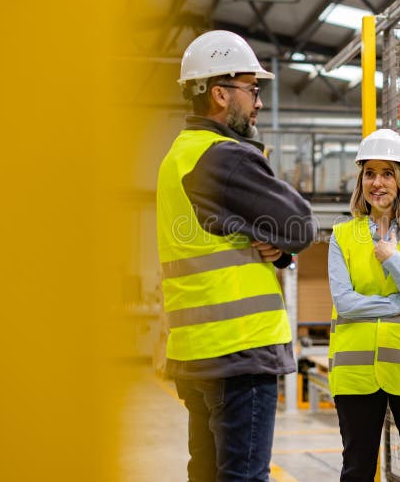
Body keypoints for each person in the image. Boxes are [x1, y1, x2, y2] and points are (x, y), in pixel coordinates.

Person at [156, 30, 316, 482]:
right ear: (221, 93)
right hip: (238, 351)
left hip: (196, 353)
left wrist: (264, 240)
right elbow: (300, 226)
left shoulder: (178, 158)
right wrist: (274, 239)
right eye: (252, 89)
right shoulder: (224, 157)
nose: (258, 102)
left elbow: (218, 232)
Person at [327, 129, 400, 482]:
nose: (377, 183)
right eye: (370, 173)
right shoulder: (342, 236)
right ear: (360, 180)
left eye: (387, 173)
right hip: (356, 374)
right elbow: (345, 303)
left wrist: (394, 259)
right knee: (356, 472)